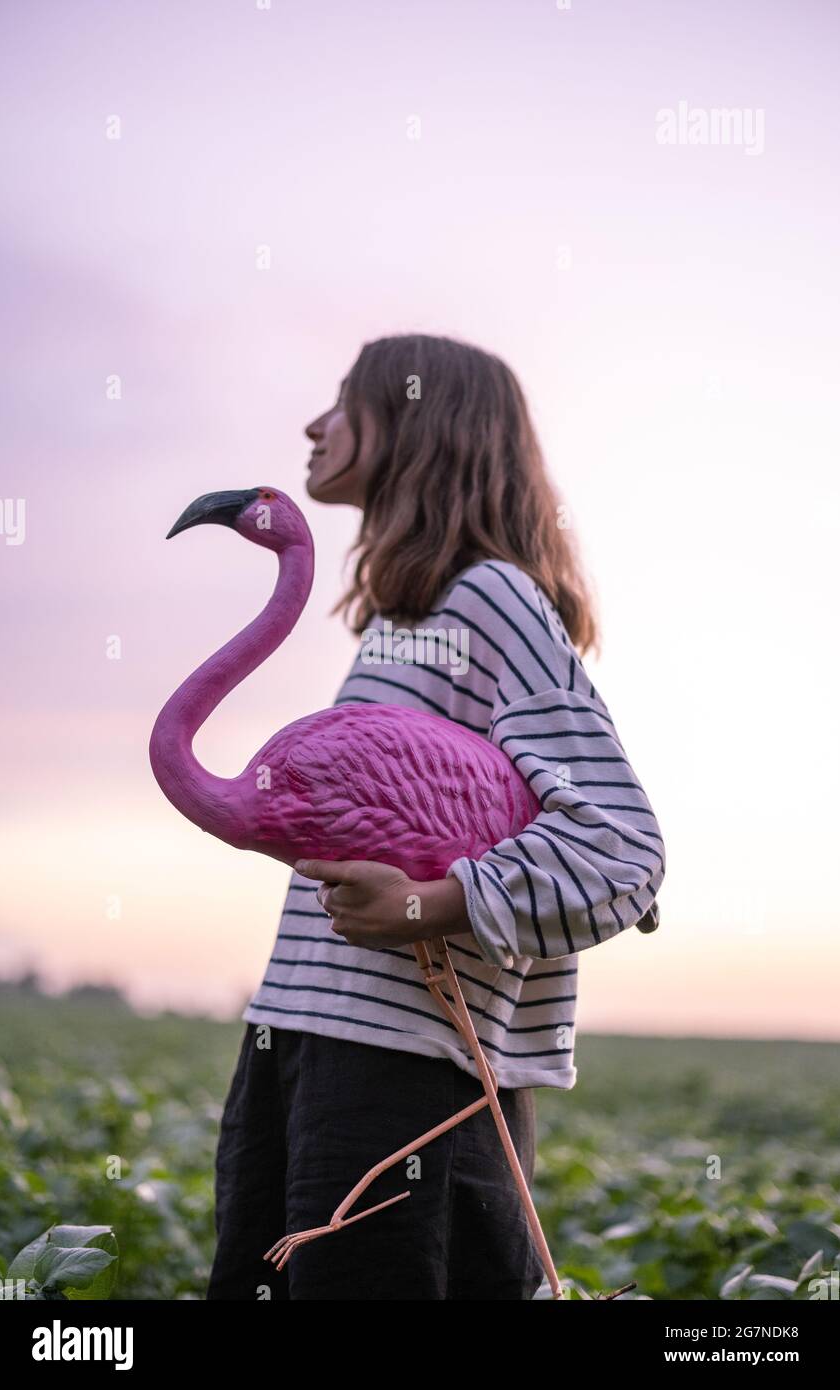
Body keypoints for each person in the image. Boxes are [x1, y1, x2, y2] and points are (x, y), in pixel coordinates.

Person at [206, 333, 665, 1301]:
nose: (314, 424)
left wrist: (426, 908)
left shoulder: (492, 600)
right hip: (300, 1053)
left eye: (345, 400)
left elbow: (622, 850)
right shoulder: (395, 626)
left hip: (405, 1085)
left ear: (419, 423)